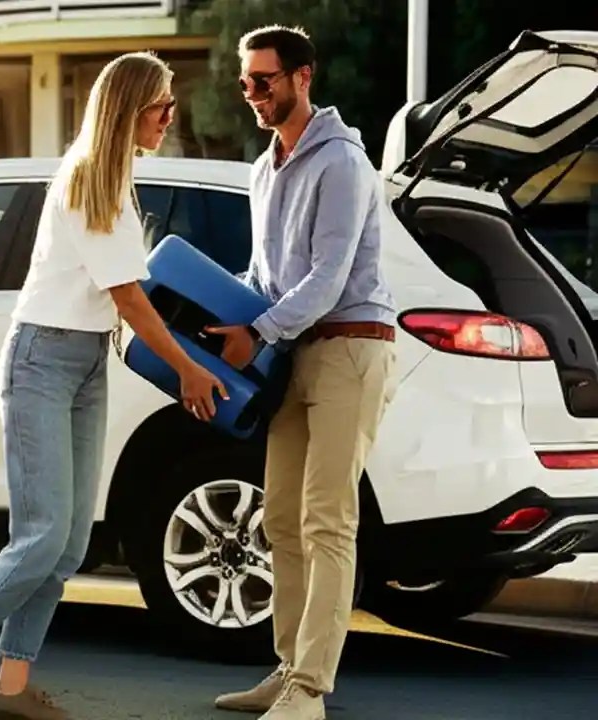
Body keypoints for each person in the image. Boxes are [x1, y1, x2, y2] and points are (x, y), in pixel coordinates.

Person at [0, 51, 228, 720]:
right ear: (126, 109)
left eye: (172, 105)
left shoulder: (118, 180)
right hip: (41, 361)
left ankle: (11, 689)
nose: (170, 117)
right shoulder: (92, 178)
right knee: (41, 533)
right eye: (161, 106)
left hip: (84, 361)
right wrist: (186, 367)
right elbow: (128, 297)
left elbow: (134, 292)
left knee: (70, 542)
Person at [206, 25, 398, 720]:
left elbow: (329, 274)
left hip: (351, 346)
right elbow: (265, 275)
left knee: (326, 521)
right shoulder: (266, 169)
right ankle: (288, 668)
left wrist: (257, 329)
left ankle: (310, 689)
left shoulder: (343, 161)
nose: (252, 94)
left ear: (303, 78)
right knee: (279, 518)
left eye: (265, 81)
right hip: (295, 353)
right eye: (246, 82)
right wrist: (206, 309)